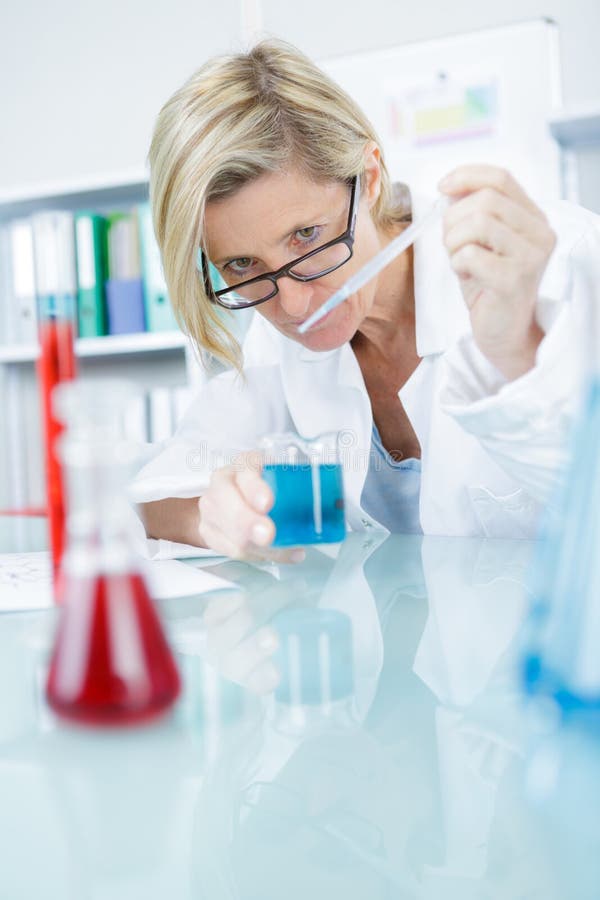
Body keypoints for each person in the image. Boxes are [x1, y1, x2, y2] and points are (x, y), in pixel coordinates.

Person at [132, 39, 600, 561]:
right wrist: (208, 518)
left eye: (306, 234)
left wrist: (518, 349)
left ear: (369, 178)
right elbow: (150, 496)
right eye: (242, 264)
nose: (291, 305)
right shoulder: (274, 341)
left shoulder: (560, 262)